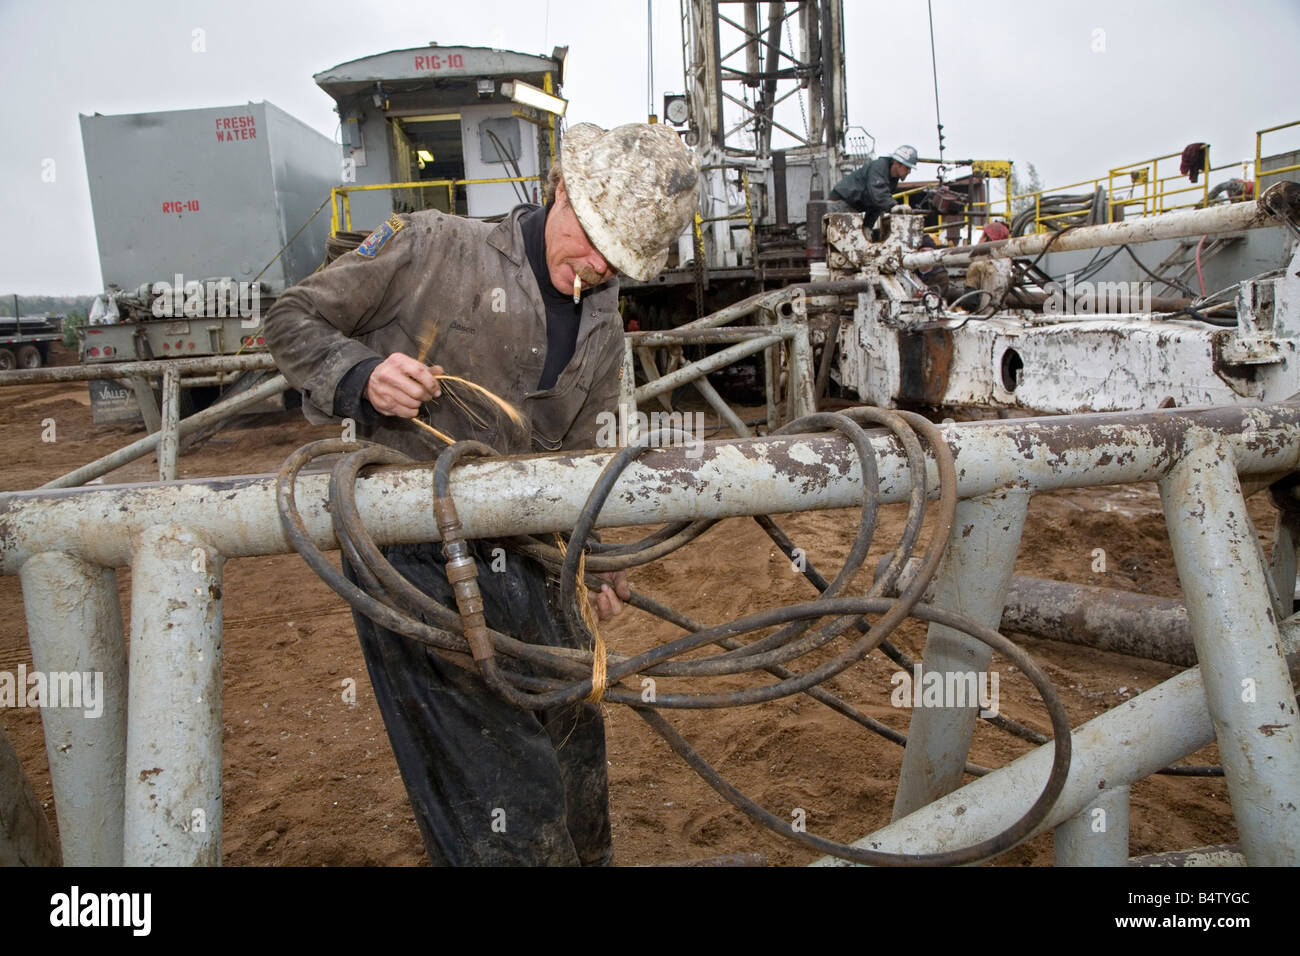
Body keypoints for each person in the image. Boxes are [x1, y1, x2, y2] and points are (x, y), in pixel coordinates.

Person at [263, 121, 699, 866]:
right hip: (415, 559)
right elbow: (289, 318)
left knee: (573, 750)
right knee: (501, 795)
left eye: (616, 260)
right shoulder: (430, 246)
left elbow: (585, 449)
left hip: (532, 558)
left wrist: (594, 550)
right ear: (562, 188)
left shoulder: (601, 321)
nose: (593, 267)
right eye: (590, 238)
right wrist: (361, 375)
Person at [830, 144, 918, 230]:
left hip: (851, 206)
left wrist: (867, 226)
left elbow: (877, 204)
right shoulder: (879, 167)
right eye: (907, 168)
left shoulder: (892, 179)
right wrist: (893, 206)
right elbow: (878, 192)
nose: (909, 172)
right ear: (897, 163)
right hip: (840, 203)